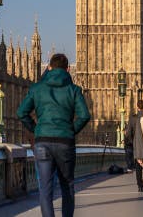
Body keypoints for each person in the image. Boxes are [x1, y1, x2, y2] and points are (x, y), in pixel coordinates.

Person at [17, 53, 91, 217]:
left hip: (42, 143)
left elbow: (21, 112)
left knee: (45, 190)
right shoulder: (74, 90)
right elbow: (85, 115)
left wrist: (36, 130)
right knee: (67, 186)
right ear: (68, 69)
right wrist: (71, 130)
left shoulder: (37, 88)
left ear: (49, 68)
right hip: (65, 142)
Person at [125, 99, 143, 192]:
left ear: (137, 107)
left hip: (136, 144)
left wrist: (131, 142)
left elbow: (128, 133)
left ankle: (140, 186)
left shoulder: (133, 118)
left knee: (138, 166)